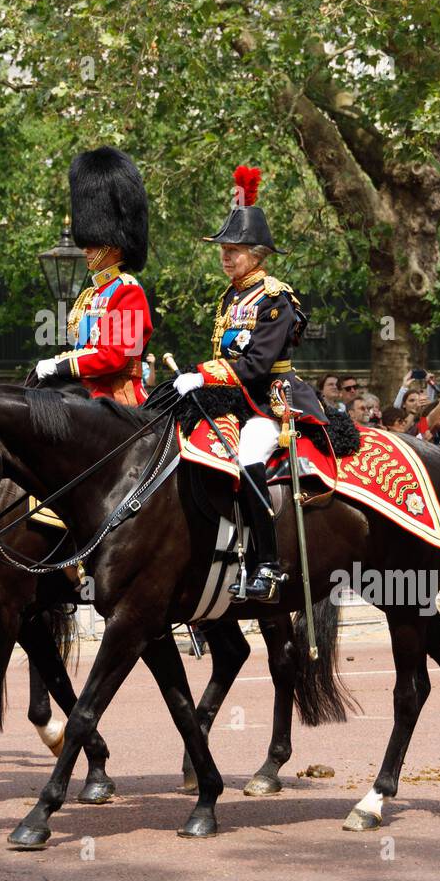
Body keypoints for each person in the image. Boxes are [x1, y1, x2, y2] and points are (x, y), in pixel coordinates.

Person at [173, 166, 326, 602]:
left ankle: (268, 564)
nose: (225, 257)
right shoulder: (230, 296)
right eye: (223, 249)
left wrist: (202, 375)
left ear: (257, 254)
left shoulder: (276, 297)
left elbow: (258, 364)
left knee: (247, 456)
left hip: (270, 402)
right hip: (233, 398)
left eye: (234, 250)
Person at [34, 147, 152, 406]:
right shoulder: (92, 294)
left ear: (114, 243)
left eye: (93, 244)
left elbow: (116, 356)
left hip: (117, 399)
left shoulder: (127, 291)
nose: (85, 249)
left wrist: (62, 365)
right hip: (84, 394)